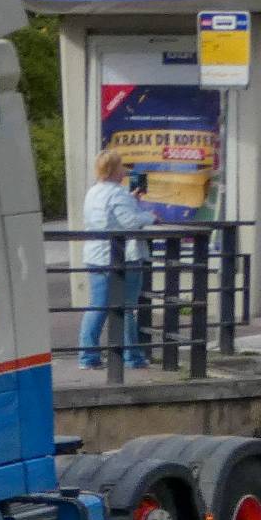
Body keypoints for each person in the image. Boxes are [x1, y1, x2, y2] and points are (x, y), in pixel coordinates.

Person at [78, 149, 156, 369]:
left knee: (98, 305)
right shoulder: (118, 193)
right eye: (122, 166)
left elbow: (111, 216)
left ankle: (88, 356)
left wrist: (131, 201)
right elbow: (130, 222)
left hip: (95, 255)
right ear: (114, 169)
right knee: (126, 307)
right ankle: (132, 357)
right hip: (123, 257)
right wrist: (150, 217)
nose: (125, 170)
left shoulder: (93, 192)